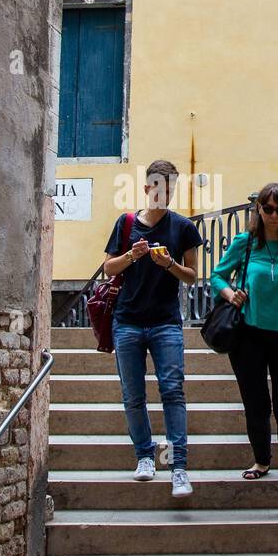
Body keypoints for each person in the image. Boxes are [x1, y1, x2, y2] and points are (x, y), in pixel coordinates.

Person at [208, 183, 278, 520]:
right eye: (266, 208)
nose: (272, 214)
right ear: (258, 210)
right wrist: (231, 295)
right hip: (249, 335)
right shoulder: (246, 245)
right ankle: (261, 458)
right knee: (256, 404)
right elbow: (216, 275)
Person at [103, 160, 203, 496]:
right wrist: (132, 255)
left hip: (165, 323)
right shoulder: (127, 222)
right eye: (157, 188)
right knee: (133, 396)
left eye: (169, 189)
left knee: (172, 392)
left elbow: (192, 275)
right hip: (127, 321)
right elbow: (108, 268)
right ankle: (145, 456)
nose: (163, 194)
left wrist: (169, 264)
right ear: (147, 188)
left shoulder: (183, 228)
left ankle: (178, 467)